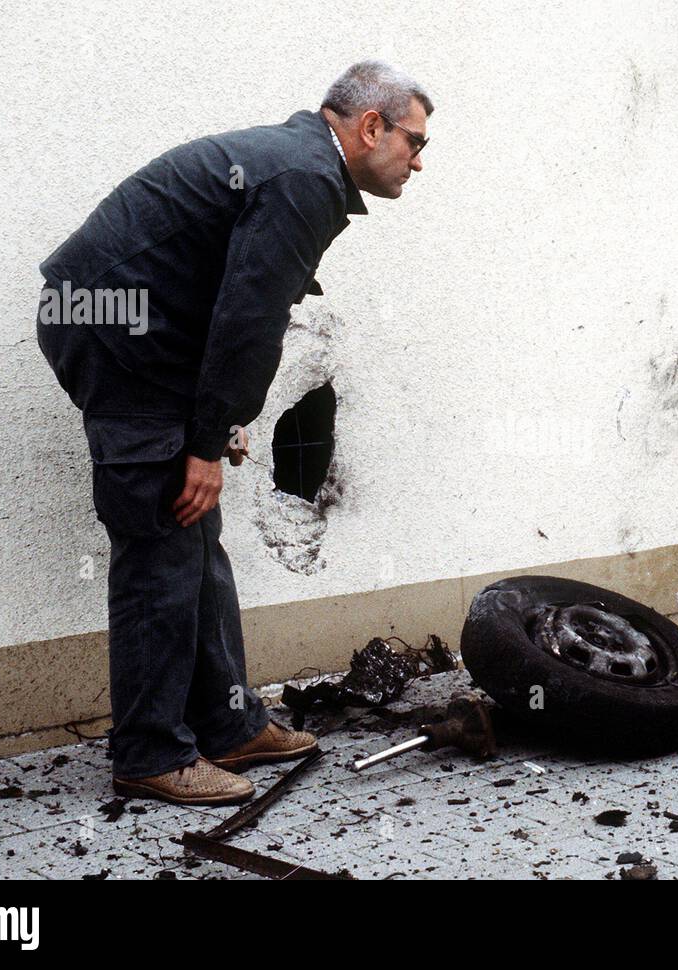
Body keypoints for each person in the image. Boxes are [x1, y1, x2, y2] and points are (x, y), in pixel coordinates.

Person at [35, 61, 434, 805]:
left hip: (141, 333)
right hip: (116, 340)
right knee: (160, 542)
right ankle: (150, 752)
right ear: (370, 125)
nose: (420, 160)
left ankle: (226, 723)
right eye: (415, 140)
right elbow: (248, 318)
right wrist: (201, 442)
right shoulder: (305, 176)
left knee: (193, 538)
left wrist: (212, 429)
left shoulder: (299, 164)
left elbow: (231, 302)